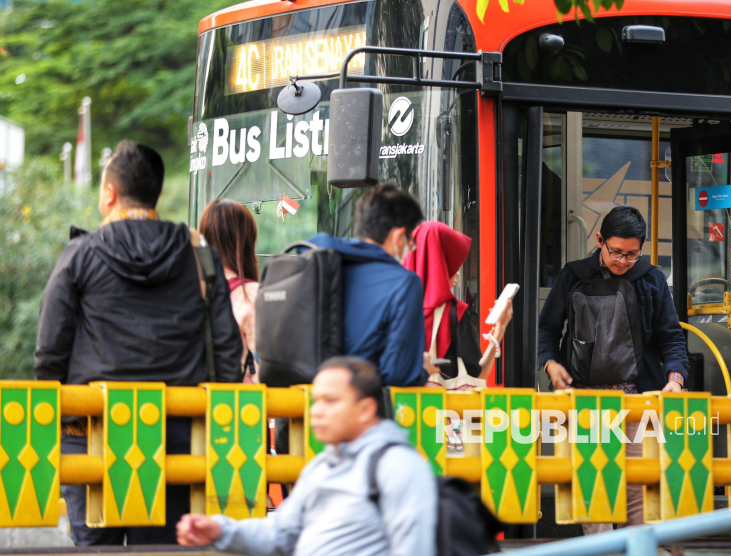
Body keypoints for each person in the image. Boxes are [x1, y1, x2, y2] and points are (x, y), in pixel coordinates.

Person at [35, 140, 243, 546]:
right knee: (165, 549)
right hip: (179, 437)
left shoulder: (80, 255)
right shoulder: (199, 254)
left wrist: (61, 424)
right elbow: (226, 351)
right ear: (159, 194)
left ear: (109, 193)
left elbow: (49, 353)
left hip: (92, 433)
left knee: (96, 549)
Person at [176, 356, 437, 556]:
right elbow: (280, 532)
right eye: (316, 401)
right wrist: (221, 530)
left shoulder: (398, 465)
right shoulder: (323, 465)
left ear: (366, 409)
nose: (317, 411)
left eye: (331, 401)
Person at [537, 205, 689, 533]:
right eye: (616, 252)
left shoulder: (651, 280)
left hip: (637, 399)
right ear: (600, 240)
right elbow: (547, 329)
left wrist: (675, 378)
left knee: (640, 490)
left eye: (632, 254)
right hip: (583, 400)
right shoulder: (573, 275)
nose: (622, 261)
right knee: (593, 490)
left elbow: (671, 337)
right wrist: (551, 365)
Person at [305, 183, 426, 387]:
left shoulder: (312, 261)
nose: (411, 248)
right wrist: (423, 370)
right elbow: (398, 374)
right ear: (398, 237)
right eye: (411, 241)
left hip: (293, 407)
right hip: (355, 408)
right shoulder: (404, 283)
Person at [404, 221, 512, 384]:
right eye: (452, 261)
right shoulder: (454, 313)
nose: (458, 272)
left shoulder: (397, 309)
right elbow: (478, 374)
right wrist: (500, 329)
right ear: (439, 263)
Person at [200, 199, 259, 383]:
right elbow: (263, 367)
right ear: (247, 242)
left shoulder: (188, 289)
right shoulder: (253, 295)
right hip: (238, 405)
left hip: (193, 401)